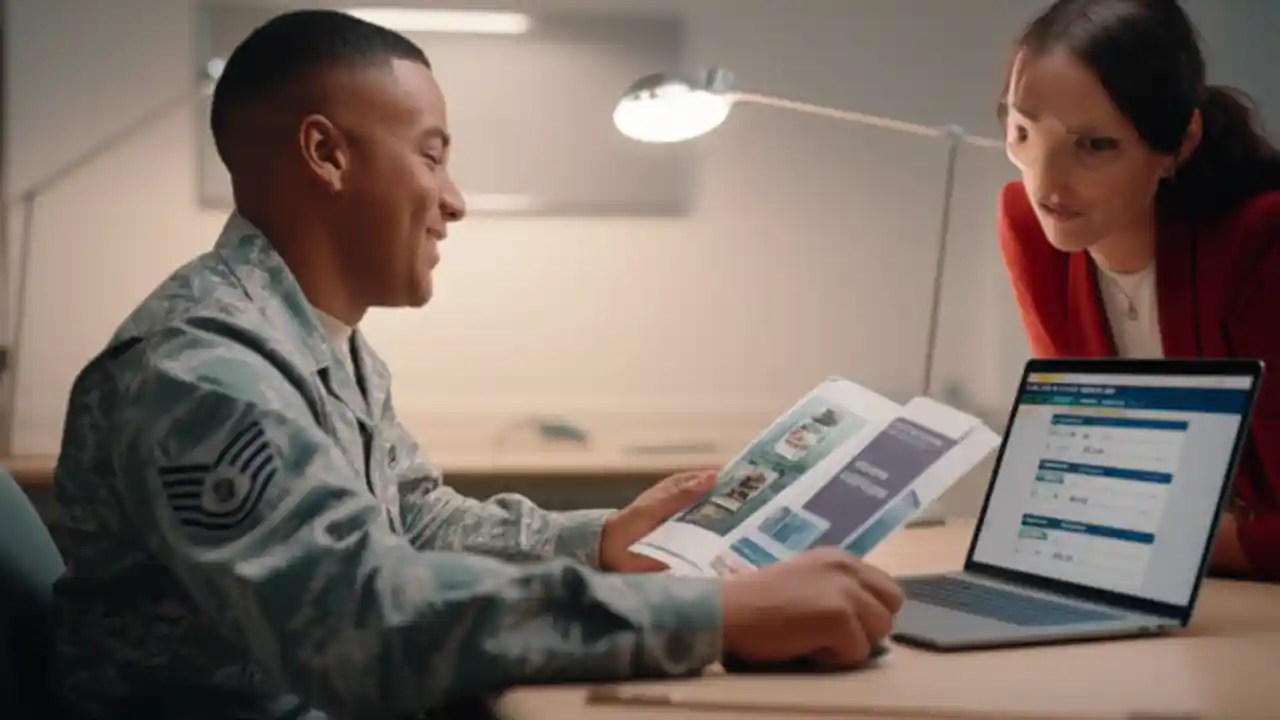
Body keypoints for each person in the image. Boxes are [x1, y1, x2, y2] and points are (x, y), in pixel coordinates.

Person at [48, 9, 905, 719]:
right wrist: (717, 614)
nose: (454, 200)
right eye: (431, 154)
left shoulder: (318, 344)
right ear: (326, 153)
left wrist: (603, 541)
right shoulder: (201, 373)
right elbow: (361, 622)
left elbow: (413, 525)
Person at [995, 0, 1280, 580]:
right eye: (1023, 132)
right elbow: (1075, 463)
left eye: (1094, 145)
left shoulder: (1260, 244)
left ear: (1178, 144)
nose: (1045, 183)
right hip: (1149, 581)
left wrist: (1152, 534)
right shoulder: (1029, 227)